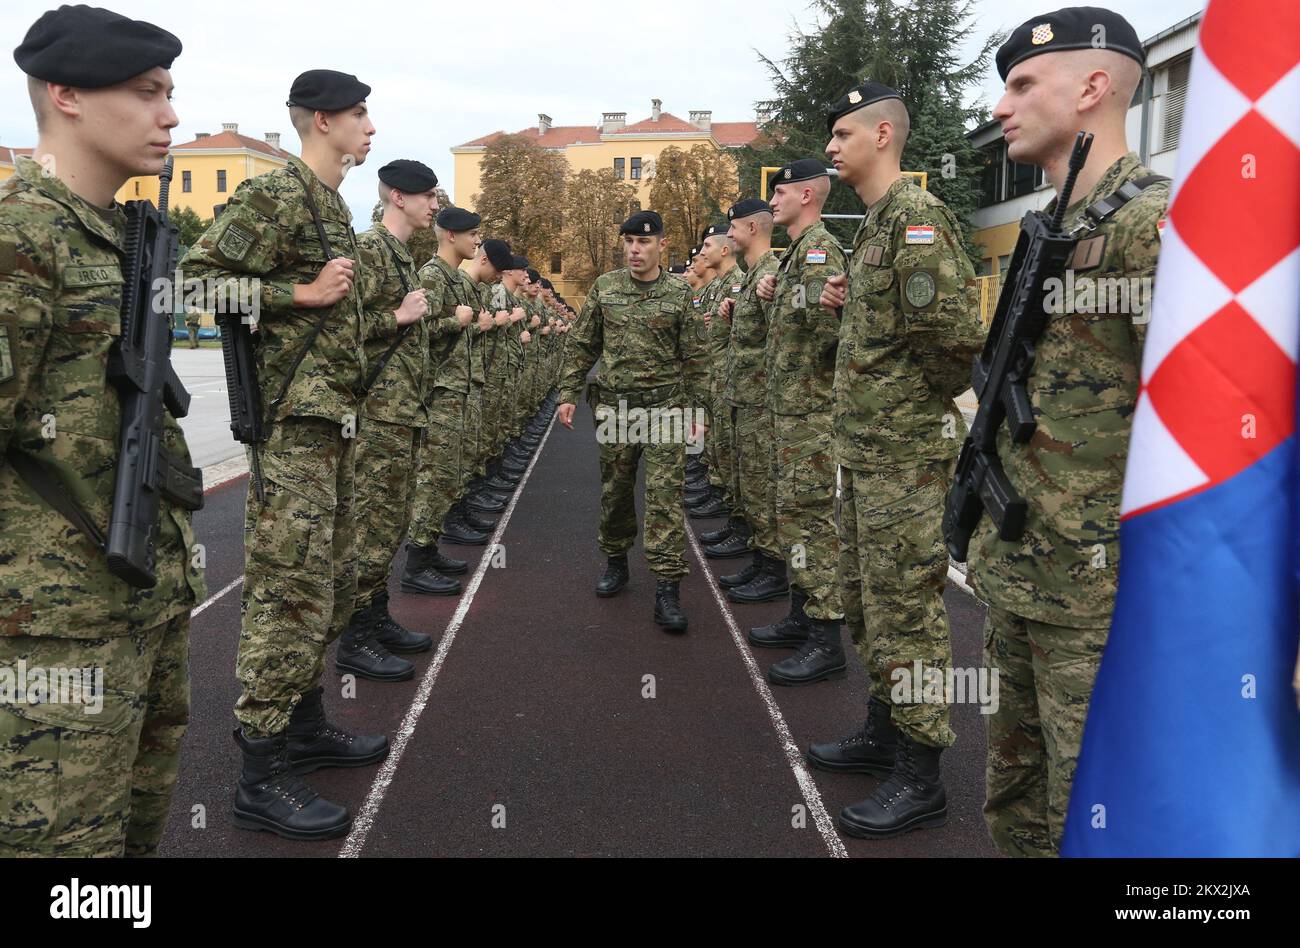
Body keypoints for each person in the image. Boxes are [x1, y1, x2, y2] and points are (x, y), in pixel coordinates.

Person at [185, 67, 414, 840]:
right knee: (286, 591)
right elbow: (195, 282)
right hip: (292, 429)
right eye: (359, 114)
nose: (370, 128)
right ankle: (261, 770)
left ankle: (306, 724)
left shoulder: (331, 206)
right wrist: (300, 295)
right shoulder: (276, 195)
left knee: (325, 583)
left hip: (334, 424)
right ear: (320, 121)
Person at [0, 3, 205, 858]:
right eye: (146, 91)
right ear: (67, 95)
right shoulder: (21, 236)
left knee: (129, 848)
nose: (170, 114)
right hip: (54, 633)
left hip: (142, 601)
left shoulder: (124, 239)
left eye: (170, 92)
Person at [969, 7, 1169, 857]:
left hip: (1100, 599)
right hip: (1021, 569)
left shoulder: (1153, 227)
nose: (1002, 107)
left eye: (1021, 85)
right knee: (1014, 797)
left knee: (1093, 816)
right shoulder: (1053, 227)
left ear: (1092, 88)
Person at [810, 81, 985, 838]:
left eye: (843, 134)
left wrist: (916, 415)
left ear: (884, 134)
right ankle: (884, 731)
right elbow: (894, 326)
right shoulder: (878, 226)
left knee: (907, 612)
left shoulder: (915, 220)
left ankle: (921, 773)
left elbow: (951, 342)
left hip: (905, 458)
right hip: (869, 454)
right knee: (869, 601)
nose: (830, 148)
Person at [556, 210, 708, 632]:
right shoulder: (606, 289)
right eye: (628, 242)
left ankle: (667, 588)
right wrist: (568, 394)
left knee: (664, 496)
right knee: (616, 490)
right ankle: (616, 559)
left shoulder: (679, 293)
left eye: (644, 242)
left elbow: (696, 358)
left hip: (667, 409)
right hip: (618, 411)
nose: (635, 250)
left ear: (662, 244)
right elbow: (582, 345)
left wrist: (700, 411)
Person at [732, 160, 847, 687]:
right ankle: (803, 615)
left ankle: (826, 639)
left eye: (779, 193)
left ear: (806, 194)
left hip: (809, 415)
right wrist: (775, 296)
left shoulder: (820, 250)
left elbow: (826, 334)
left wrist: (790, 298)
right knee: (793, 516)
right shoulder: (799, 255)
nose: (772, 202)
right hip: (788, 411)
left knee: (812, 523)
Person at [346, 159, 444, 682]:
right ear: (398, 198)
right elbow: (338, 331)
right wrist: (397, 317)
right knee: (370, 526)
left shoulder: (402, 256)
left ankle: (375, 616)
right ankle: (355, 637)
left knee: (389, 525)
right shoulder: (367, 250)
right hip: (376, 415)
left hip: (402, 412)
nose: (434, 204)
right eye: (427, 195)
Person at [406, 206, 492, 563]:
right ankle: (417, 556)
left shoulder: (454, 278)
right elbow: (417, 332)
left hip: (458, 388)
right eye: (472, 234)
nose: (477, 241)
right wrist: (456, 323)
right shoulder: (432, 276)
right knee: (435, 473)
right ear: (452, 236)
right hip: (440, 392)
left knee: (450, 470)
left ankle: (431, 544)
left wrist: (465, 324)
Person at [709, 200, 781, 589]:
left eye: (734, 227)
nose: (729, 233)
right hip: (743, 394)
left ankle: (772, 567)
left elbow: (780, 338)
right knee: (748, 481)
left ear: (752, 229)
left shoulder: (770, 272)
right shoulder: (756, 276)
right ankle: (760, 554)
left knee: (759, 484)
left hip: (760, 400)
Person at [688, 223, 742, 522]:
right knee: (717, 440)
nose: (700, 254)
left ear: (724, 249)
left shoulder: (736, 283)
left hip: (727, 377)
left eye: (706, 247)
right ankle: (713, 483)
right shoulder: (717, 287)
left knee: (726, 443)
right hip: (713, 373)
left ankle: (723, 497)